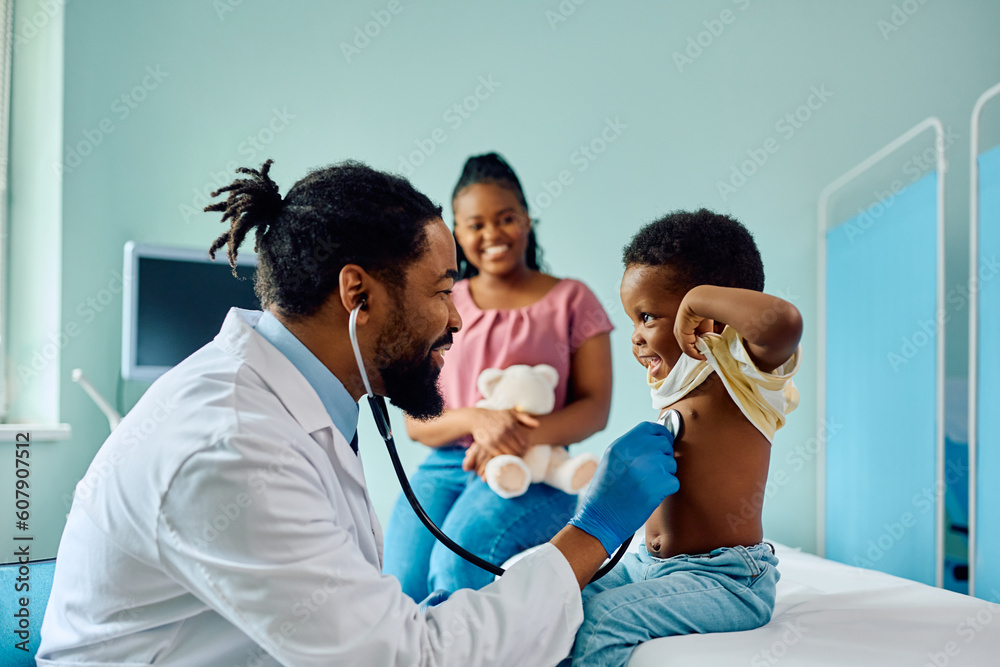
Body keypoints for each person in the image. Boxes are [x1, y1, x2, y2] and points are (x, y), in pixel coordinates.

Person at [37, 159, 679, 667]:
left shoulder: (294, 405)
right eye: (440, 290)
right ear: (357, 294)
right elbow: (405, 659)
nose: (458, 318)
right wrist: (593, 532)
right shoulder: (231, 444)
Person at [564, 209, 803, 666]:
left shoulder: (741, 371)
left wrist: (700, 300)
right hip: (649, 564)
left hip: (728, 579)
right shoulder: (676, 377)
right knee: (562, 599)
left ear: (707, 321)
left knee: (600, 619)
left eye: (648, 316)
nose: (636, 337)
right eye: (634, 320)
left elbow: (784, 323)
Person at [383, 152, 614, 600]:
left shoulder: (573, 300)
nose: (492, 234)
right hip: (449, 465)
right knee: (399, 583)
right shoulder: (445, 301)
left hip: (535, 471)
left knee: (455, 569)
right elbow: (415, 423)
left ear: (526, 218)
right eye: (475, 225)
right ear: (456, 231)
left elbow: (595, 409)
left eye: (505, 218)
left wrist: (514, 437)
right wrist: (479, 421)